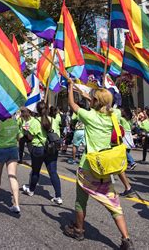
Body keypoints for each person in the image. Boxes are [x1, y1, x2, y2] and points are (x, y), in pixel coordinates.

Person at [64, 81, 133, 249]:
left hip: (88, 166)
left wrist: (70, 89)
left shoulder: (90, 116)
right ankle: (126, 239)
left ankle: (79, 230)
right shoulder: (114, 115)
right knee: (114, 205)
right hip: (105, 168)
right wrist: (92, 97)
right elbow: (103, 106)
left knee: (81, 201)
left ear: (95, 102)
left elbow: (72, 105)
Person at [22, 102, 62, 205]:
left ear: (37, 110)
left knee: (35, 171)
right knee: (53, 172)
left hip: (38, 149)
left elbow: (30, 137)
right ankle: (58, 196)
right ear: (48, 109)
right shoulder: (54, 120)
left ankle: (31, 190)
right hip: (52, 149)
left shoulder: (34, 122)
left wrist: (26, 132)